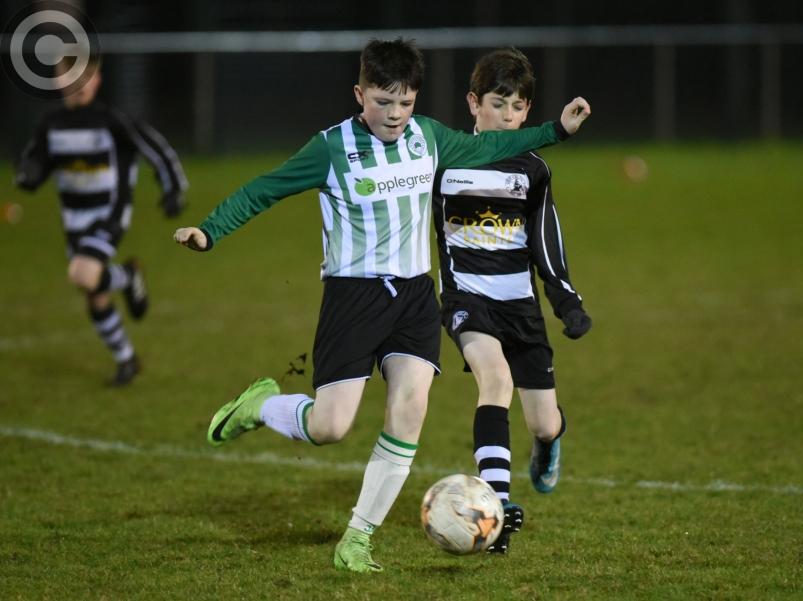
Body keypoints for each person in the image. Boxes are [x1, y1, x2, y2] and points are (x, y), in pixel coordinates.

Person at [173, 38, 590, 573]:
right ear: (359, 94)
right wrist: (210, 232)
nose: (395, 115)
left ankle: (357, 538)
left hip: (415, 297)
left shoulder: (429, 138)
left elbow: (492, 148)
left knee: (410, 408)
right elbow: (264, 189)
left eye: (406, 102)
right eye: (383, 102)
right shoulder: (330, 149)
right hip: (353, 298)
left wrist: (557, 130)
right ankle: (260, 406)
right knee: (330, 428)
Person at [431, 48, 592, 554]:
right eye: (498, 104)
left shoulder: (533, 170)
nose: (508, 116)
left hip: (519, 304)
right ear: (473, 102)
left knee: (542, 421)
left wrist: (566, 301)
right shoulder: (442, 160)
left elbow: (546, 241)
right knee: (494, 379)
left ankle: (548, 444)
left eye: (519, 107)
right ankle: (494, 510)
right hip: (465, 298)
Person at [15, 55, 188, 386]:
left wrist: (173, 188)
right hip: (73, 220)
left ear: (96, 81)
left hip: (109, 213)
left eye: (85, 77)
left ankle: (127, 275)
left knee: (82, 273)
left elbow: (157, 150)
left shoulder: (112, 121)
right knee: (94, 293)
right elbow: (32, 163)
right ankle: (127, 359)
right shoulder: (50, 123)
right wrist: (29, 175)